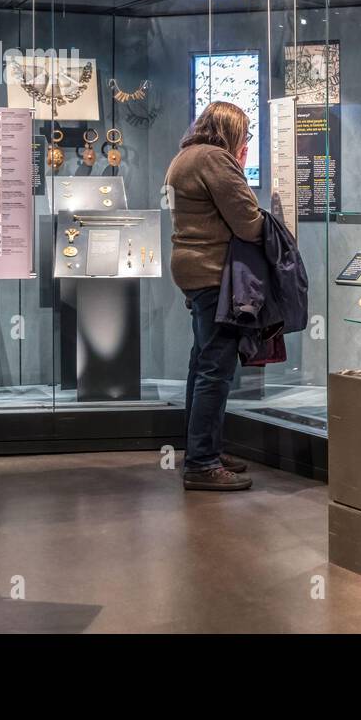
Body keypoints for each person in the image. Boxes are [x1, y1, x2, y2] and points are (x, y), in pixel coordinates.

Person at [164, 101, 264, 491]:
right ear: (230, 130)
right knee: (215, 368)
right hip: (212, 273)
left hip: (191, 269)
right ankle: (203, 463)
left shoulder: (185, 156)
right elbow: (248, 222)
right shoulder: (215, 159)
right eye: (245, 133)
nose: (247, 142)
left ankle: (202, 450)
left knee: (202, 363)